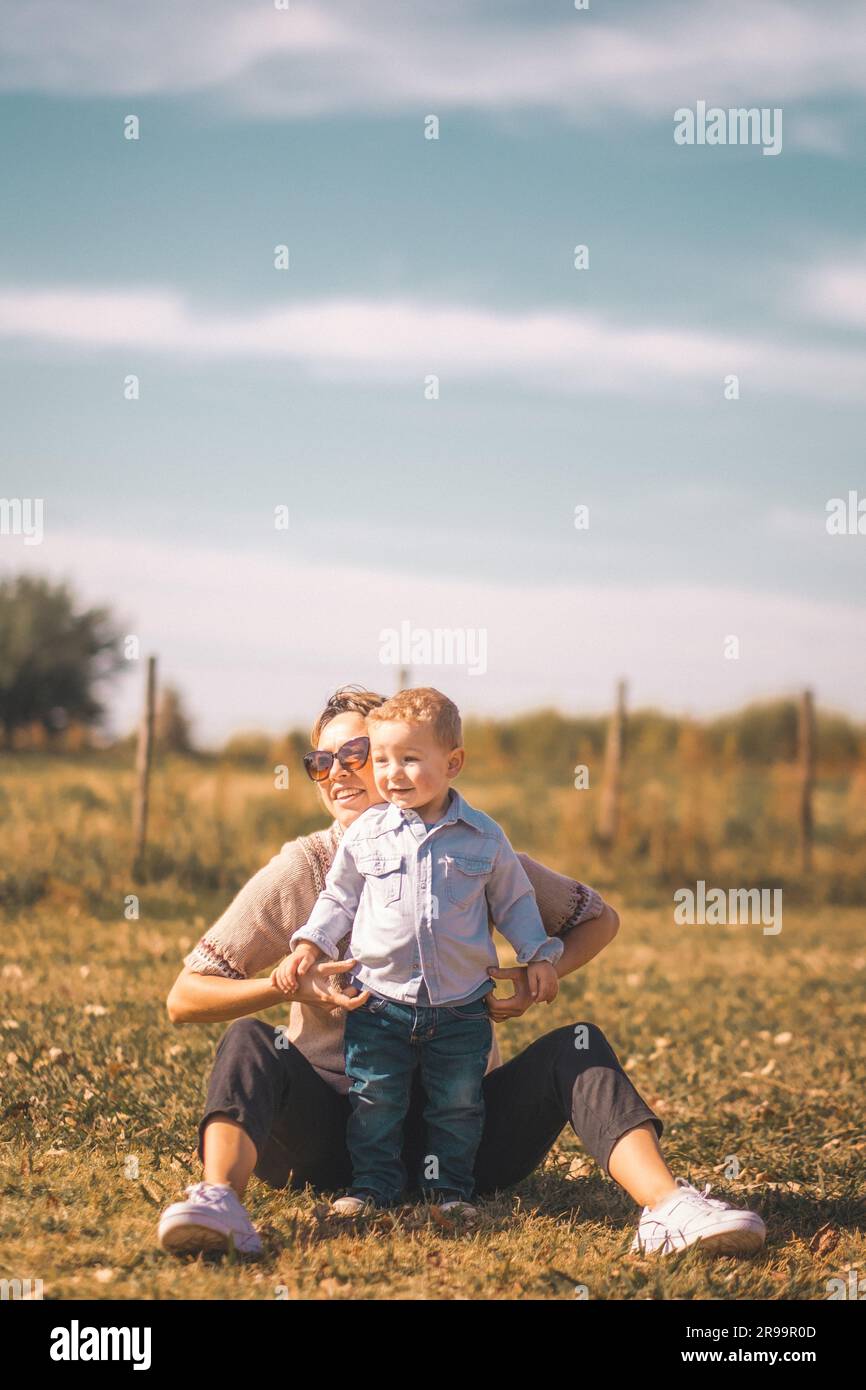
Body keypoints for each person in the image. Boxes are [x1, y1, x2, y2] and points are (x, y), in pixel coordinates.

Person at [158, 685, 766, 1260]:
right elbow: (185, 997)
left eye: (356, 754)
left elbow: (598, 920)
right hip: (336, 1135)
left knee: (578, 1045)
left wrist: (539, 974)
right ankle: (222, 1208)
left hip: (468, 1133)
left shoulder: (476, 846)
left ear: (425, 759)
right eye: (320, 761)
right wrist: (284, 984)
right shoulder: (306, 866)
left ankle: (670, 1209)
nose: (338, 771)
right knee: (248, 1040)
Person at [273, 687, 562, 1218]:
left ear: (453, 763)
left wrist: (538, 955)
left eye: (409, 759)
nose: (392, 774)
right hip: (379, 1004)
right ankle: (372, 1189)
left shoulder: (483, 837)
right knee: (374, 1099)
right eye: (381, 760)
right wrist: (309, 944)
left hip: (460, 1007)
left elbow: (516, 902)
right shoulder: (366, 835)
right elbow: (337, 898)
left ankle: (448, 1194)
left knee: (457, 1104)